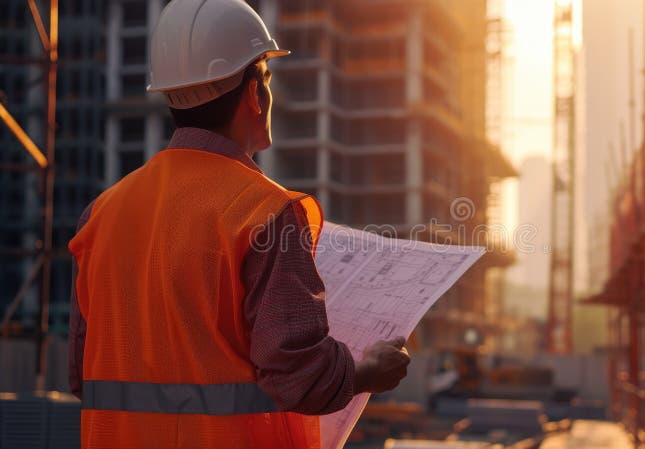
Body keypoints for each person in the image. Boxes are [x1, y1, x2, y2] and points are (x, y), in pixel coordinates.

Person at [67, 0, 410, 447]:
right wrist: (367, 372)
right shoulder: (264, 212)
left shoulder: (101, 214)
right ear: (255, 95)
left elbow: (82, 373)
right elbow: (297, 373)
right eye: (265, 78)